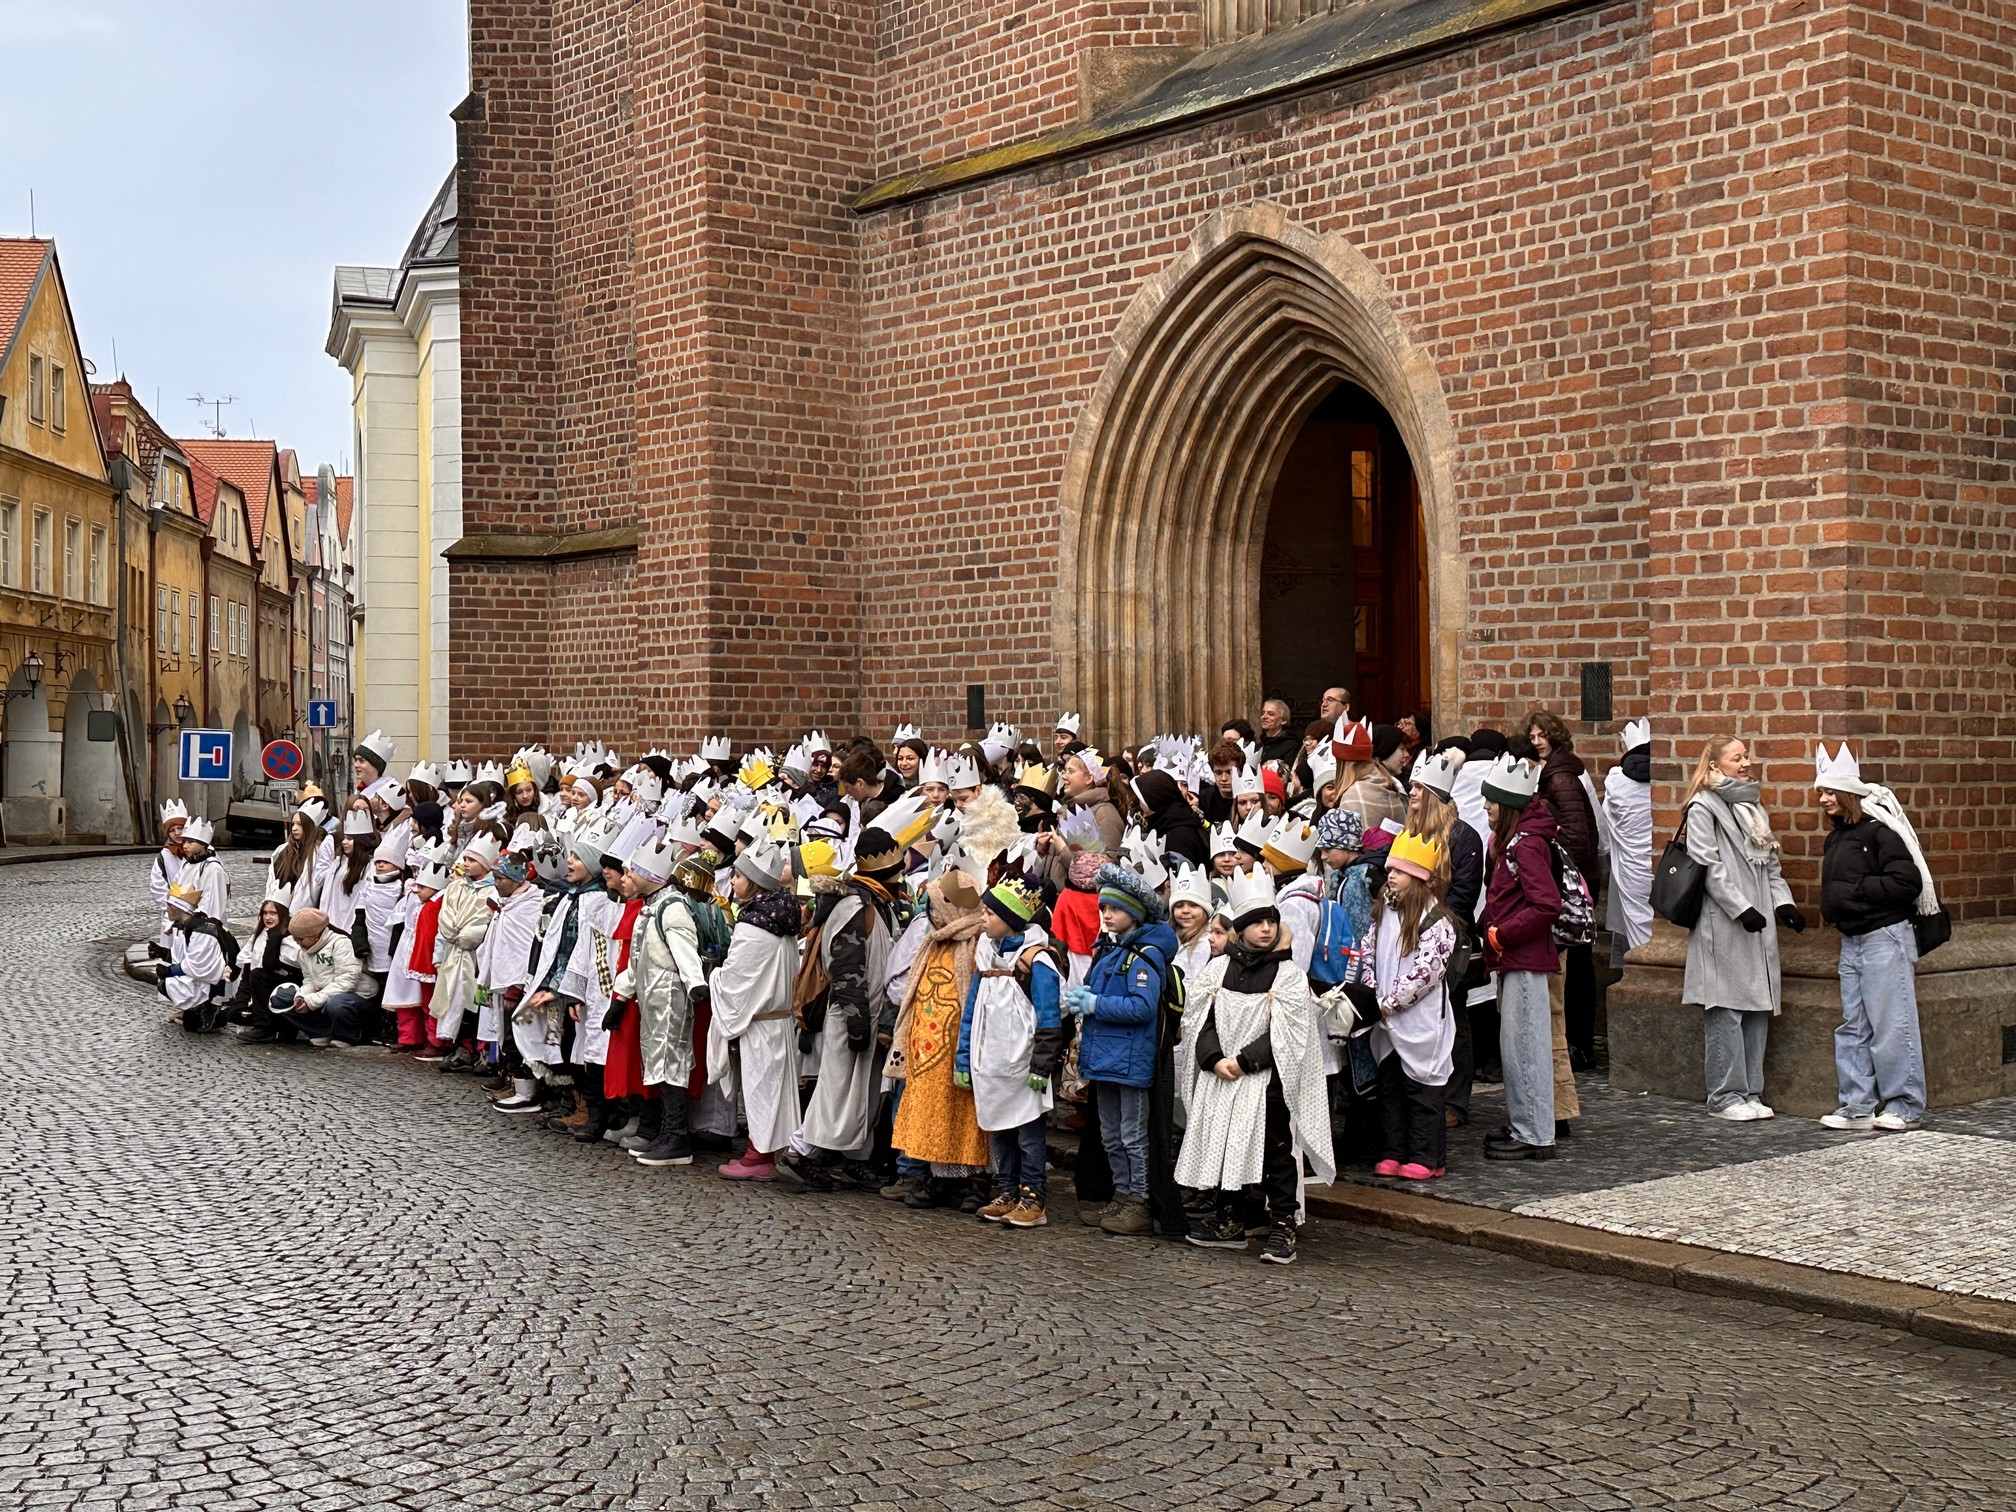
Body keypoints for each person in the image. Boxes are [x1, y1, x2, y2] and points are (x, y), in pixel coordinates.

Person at [1175, 868, 1335, 1265]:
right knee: (1227, 1145)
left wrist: (1246, 1061)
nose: (1265, 929)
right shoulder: (1217, 970)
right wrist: (1214, 1059)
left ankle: (1283, 1224)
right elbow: (1200, 1021)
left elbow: (1290, 1031)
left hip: (1267, 1080)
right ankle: (1231, 1219)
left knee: (1277, 1153)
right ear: (1240, 929)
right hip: (1223, 1077)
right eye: (1256, 923)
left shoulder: (1288, 974)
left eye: (1271, 921)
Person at [1680, 735, 1800, 1121]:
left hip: (1758, 920)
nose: (1746, 762)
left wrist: (1784, 904)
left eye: (1747, 756)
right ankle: (1724, 1094)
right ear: (1715, 766)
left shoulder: (1752, 805)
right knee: (1726, 1009)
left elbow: (1770, 863)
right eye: (1737, 757)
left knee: (1757, 1008)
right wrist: (1741, 908)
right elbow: (1707, 864)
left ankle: (1750, 1090)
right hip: (1725, 923)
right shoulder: (1704, 806)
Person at [1815, 743, 1931, 1132]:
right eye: (1820, 791)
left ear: (1849, 793)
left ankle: (1904, 1103)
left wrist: (1856, 892)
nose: (1823, 798)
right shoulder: (1837, 837)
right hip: (1853, 940)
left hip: (1884, 937)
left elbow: (1906, 881)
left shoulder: (1880, 833)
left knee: (1892, 1022)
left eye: (1830, 791)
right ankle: (1856, 1104)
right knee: (1853, 1025)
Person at [788, 827, 905, 1189]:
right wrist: (857, 1022)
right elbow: (847, 965)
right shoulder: (856, 905)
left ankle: (855, 1158)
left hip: (866, 1013)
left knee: (862, 1093)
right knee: (837, 1089)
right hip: (852, 1014)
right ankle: (802, 1152)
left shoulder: (875, 901)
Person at [1064, 863, 1177, 1237]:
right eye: (1104, 909)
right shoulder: (1112, 950)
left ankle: (1139, 1199)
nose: (1107, 915)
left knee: (1132, 1135)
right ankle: (1122, 1193)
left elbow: (1141, 1008)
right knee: (1111, 1135)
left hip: (1130, 1060)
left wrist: (1096, 1005)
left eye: (1115, 909)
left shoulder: (1143, 956)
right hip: (1107, 1059)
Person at [954, 877, 1063, 1228]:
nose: (983, 918)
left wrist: (1041, 1066)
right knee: (999, 1130)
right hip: (990, 1062)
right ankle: (1006, 1189)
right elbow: (972, 1010)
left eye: (990, 912)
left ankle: (1033, 1196)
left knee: (1028, 1133)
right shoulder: (985, 953)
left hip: (1022, 1064)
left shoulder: (1037, 961)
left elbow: (1049, 1017)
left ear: (1012, 919)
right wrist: (964, 1057)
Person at [885, 869, 992, 1206]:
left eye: (935, 906)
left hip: (957, 1045)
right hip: (924, 1047)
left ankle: (970, 1179)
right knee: (928, 1111)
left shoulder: (977, 944)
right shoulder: (934, 941)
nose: (930, 914)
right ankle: (933, 1176)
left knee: (961, 1113)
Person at [1476, 753, 1564, 1160]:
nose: (1487, 807)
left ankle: (1534, 1134)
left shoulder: (1526, 847)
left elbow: (1546, 905)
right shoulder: (1516, 842)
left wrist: (1501, 935)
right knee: (1517, 1045)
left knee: (1525, 1047)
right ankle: (1524, 1122)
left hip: (1523, 956)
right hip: (1515, 956)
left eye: (1491, 801)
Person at [707, 837, 803, 1179]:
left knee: (762, 1087)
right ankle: (768, 1151)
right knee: (774, 1087)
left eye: (738, 875)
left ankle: (758, 1155)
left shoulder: (753, 926)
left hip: (760, 1021)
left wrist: (713, 973)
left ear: (756, 882)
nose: (732, 881)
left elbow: (735, 980)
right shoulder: (783, 919)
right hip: (778, 1019)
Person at [1364, 832, 1458, 1178]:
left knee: (1423, 1089)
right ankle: (1394, 1149)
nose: (1391, 876)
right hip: (1386, 1017)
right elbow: (1369, 951)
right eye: (1390, 870)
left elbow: (1427, 972)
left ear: (1418, 878)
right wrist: (1372, 990)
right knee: (1391, 1086)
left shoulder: (1436, 922)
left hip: (1418, 1018)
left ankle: (1427, 1155)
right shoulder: (1384, 911)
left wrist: (1391, 1002)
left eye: (1400, 872)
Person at [613, 833, 709, 1167]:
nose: (626, 878)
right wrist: (622, 993)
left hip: (669, 994)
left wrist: (695, 983)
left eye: (632, 872)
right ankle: (666, 1132)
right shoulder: (650, 907)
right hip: (650, 994)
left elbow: (684, 948)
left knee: (671, 1062)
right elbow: (639, 958)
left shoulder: (671, 907)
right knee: (656, 1062)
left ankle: (677, 1136)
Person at [1527, 710, 1603, 1068]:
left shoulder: (1560, 778)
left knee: (1576, 963)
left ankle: (1578, 1043)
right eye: (1533, 736)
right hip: (1575, 877)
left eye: (1543, 735)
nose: (1538, 741)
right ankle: (1575, 1042)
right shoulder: (1559, 772)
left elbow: (1578, 836)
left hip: (1574, 880)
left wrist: (1554, 862)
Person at [270, 907, 374, 1049]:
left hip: (356, 995)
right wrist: (301, 996)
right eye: (296, 940)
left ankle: (347, 1035)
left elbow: (347, 981)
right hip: (324, 994)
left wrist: (312, 1000)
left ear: (315, 934)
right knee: (283, 1002)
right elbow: (309, 980)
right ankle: (321, 1032)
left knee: (336, 1004)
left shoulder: (340, 943)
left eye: (301, 939)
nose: (299, 944)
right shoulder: (304, 952)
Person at [158, 876, 237, 1033]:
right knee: (165, 986)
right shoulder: (185, 928)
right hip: (198, 979)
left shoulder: (201, 932)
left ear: (177, 907)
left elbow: (198, 966)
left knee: (166, 985)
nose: (166, 909)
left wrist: (170, 971)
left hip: (209, 983)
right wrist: (163, 954)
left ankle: (208, 1008)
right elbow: (183, 956)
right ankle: (196, 1009)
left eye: (169, 905)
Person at [1602, 719, 1654, 955]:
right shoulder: (1665, 781)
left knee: (1636, 927)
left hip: (1631, 866)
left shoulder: (1616, 781)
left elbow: (1606, 821)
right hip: (1661, 864)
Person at [228, 899, 304, 1043]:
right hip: (262, 993)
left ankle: (271, 1027)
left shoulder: (291, 940)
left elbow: (270, 965)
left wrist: (275, 937)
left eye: (273, 913)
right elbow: (248, 972)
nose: (268, 917)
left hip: (288, 989)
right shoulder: (259, 936)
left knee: (260, 975)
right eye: (265, 913)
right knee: (233, 1014)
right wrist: (241, 1001)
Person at [1131, 767, 1208, 865]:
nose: (1139, 804)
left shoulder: (1179, 835)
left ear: (1154, 800)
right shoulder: (1166, 822)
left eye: (1142, 799)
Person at [148, 800, 190, 955]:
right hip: (174, 913)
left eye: (181, 828)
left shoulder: (202, 850)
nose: (178, 833)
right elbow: (157, 886)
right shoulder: (164, 857)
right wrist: (173, 907)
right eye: (173, 830)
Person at [1257, 698, 1300, 768]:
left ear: (1283, 720)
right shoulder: (1259, 745)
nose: (1264, 717)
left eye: (1271, 714)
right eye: (1263, 713)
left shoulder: (1291, 746)